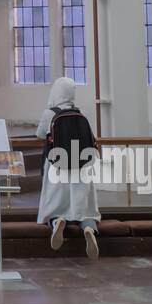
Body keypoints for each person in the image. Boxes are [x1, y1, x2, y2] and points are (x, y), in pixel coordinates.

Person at [35, 76, 101, 259]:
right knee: (85, 206)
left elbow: (40, 134)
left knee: (57, 203)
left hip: (58, 165)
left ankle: (58, 221)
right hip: (82, 165)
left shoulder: (50, 113)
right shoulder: (82, 112)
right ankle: (88, 227)